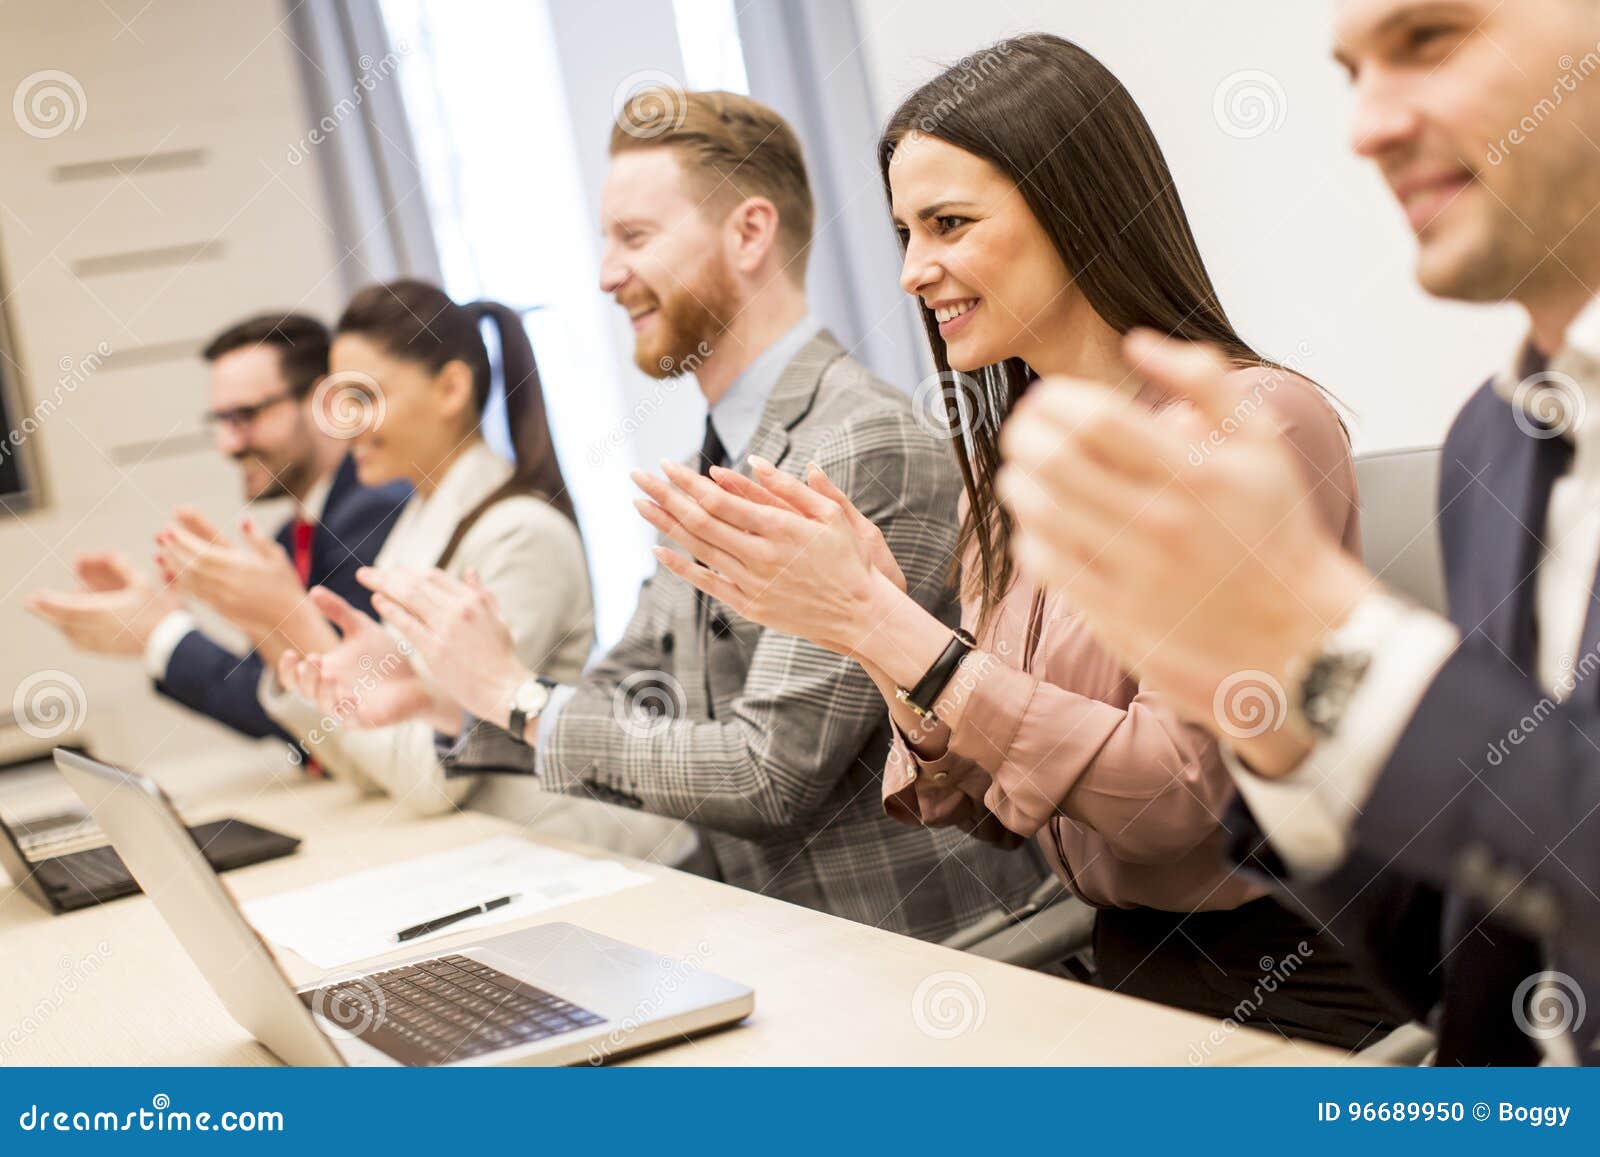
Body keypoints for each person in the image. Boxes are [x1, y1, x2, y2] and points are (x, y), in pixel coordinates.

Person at [631, 35, 1399, 1046]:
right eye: (905, 230)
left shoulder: (1253, 427)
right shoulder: (1014, 461)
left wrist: (888, 625)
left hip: (1282, 988)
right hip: (1124, 964)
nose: (912, 271)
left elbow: (1177, 803)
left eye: (949, 224)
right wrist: (876, 631)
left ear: (1075, 208)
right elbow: (988, 802)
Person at [995, 0, 1600, 1065]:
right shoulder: (1493, 443)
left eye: (1430, 39)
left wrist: (1325, 646)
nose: (1364, 126)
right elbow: (1480, 979)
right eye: (1351, 70)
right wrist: (1280, 722)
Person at [307, 89, 1049, 942]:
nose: (605, 275)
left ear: (749, 233)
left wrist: (513, 693)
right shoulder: (715, 458)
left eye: (635, 238)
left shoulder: (860, 442)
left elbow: (768, 774)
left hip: (918, 963)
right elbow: (629, 697)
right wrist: (446, 697)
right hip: (777, 950)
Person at [26, 313, 408, 746]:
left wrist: (160, 632)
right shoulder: (290, 537)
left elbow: (328, 715)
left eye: (246, 416)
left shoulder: (373, 512)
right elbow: (276, 697)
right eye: (221, 421)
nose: (229, 445)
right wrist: (164, 623)